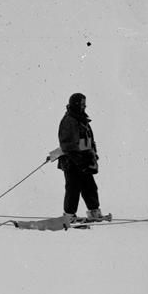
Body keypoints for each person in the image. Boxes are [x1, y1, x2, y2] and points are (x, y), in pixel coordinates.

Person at [57, 92, 104, 223]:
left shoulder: (81, 119)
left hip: (84, 161)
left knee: (90, 187)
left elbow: (88, 140)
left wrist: (92, 154)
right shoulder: (69, 120)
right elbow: (67, 145)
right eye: (82, 104)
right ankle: (69, 216)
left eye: (85, 104)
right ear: (76, 104)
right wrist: (80, 160)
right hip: (72, 162)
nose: (85, 106)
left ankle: (94, 212)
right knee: (73, 189)